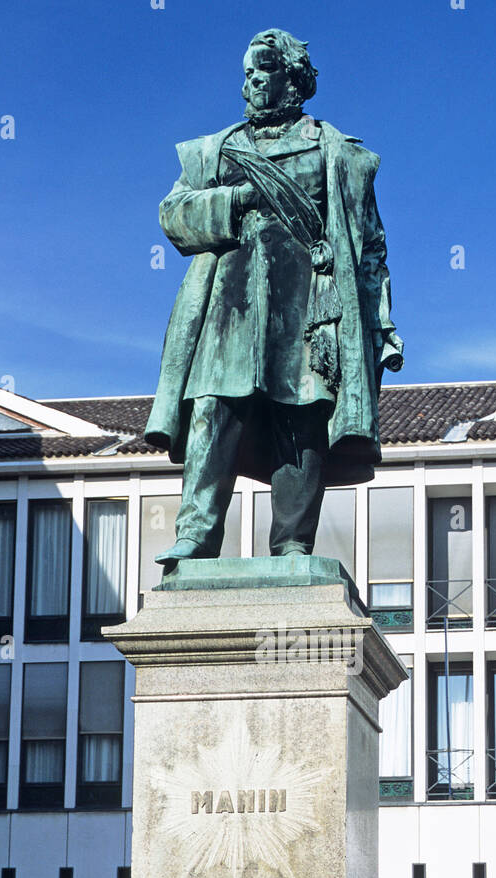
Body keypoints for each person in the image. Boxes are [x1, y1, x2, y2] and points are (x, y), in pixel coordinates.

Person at [144, 28, 403, 569]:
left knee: (303, 413)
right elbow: (174, 216)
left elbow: (371, 245)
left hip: (310, 302)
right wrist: (236, 200)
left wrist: (383, 322)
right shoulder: (218, 149)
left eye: (263, 69)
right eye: (246, 72)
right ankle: (196, 533)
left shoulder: (336, 151)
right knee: (213, 406)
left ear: (293, 79)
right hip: (230, 303)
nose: (252, 81)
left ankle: (291, 543)